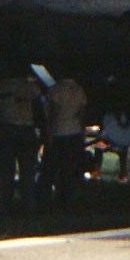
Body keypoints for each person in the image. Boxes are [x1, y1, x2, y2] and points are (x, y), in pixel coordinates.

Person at [0, 73, 46, 206]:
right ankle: (28, 202)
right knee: (28, 170)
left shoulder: (0, 86)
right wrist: (42, 130)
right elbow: (39, 110)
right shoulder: (31, 87)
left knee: (6, 169)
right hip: (27, 129)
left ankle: (6, 201)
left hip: (6, 129)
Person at [40, 77, 88, 207]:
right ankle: (68, 196)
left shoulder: (55, 90)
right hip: (74, 130)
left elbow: (52, 114)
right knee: (70, 166)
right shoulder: (79, 90)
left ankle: (46, 197)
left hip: (58, 132)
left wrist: (48, 132)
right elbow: (82, 113)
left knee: (52, 166)